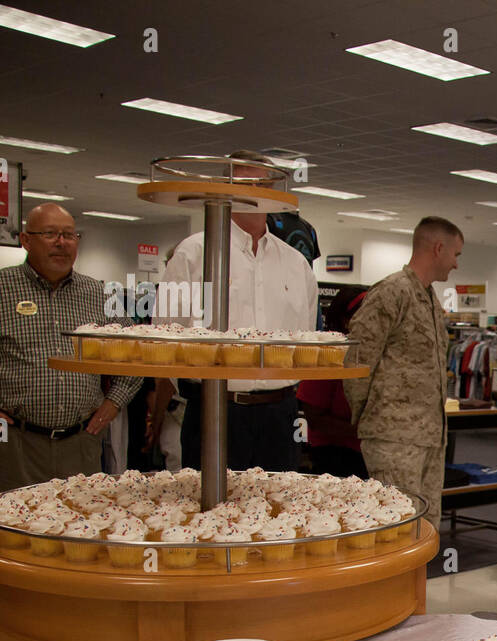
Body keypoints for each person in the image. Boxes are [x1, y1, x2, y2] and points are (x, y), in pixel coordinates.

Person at [0, 203, 141, 641]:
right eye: (50, 234)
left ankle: (84, 640)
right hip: (12, 439)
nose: (62, 243)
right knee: (11, 546)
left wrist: (113, 403)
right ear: (25, 240)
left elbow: (135, 358)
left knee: (85, 543)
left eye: (70, 235)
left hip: (81, 440)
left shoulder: (100, 295)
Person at [148, 150, 318, 471]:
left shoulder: (296, 263)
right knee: (211, 513)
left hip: (280, 414)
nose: (253, 191)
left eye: (262, 184)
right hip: (214, 409)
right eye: (244, 183)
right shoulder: (194, 252)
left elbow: (305, 338)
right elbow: (165, 337)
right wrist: (203, 387)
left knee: (279, 509)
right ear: (225, 188)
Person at [344, 217, 463, 528]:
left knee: (425, 530)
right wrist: (368, 415)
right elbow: (357, 359)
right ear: (439, 248)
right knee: (397, 528)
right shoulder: (392, 292)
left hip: (429, 438)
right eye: (456, 255)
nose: (456, 264)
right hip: (393, 438)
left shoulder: (429, 298)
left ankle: (421, 581)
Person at [297, 286, 369, 478]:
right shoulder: (329, 355)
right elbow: (315, 417)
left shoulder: (375, 354)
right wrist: (365, 431)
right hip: (337, 455)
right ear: (347, 321)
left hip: (370, 452)